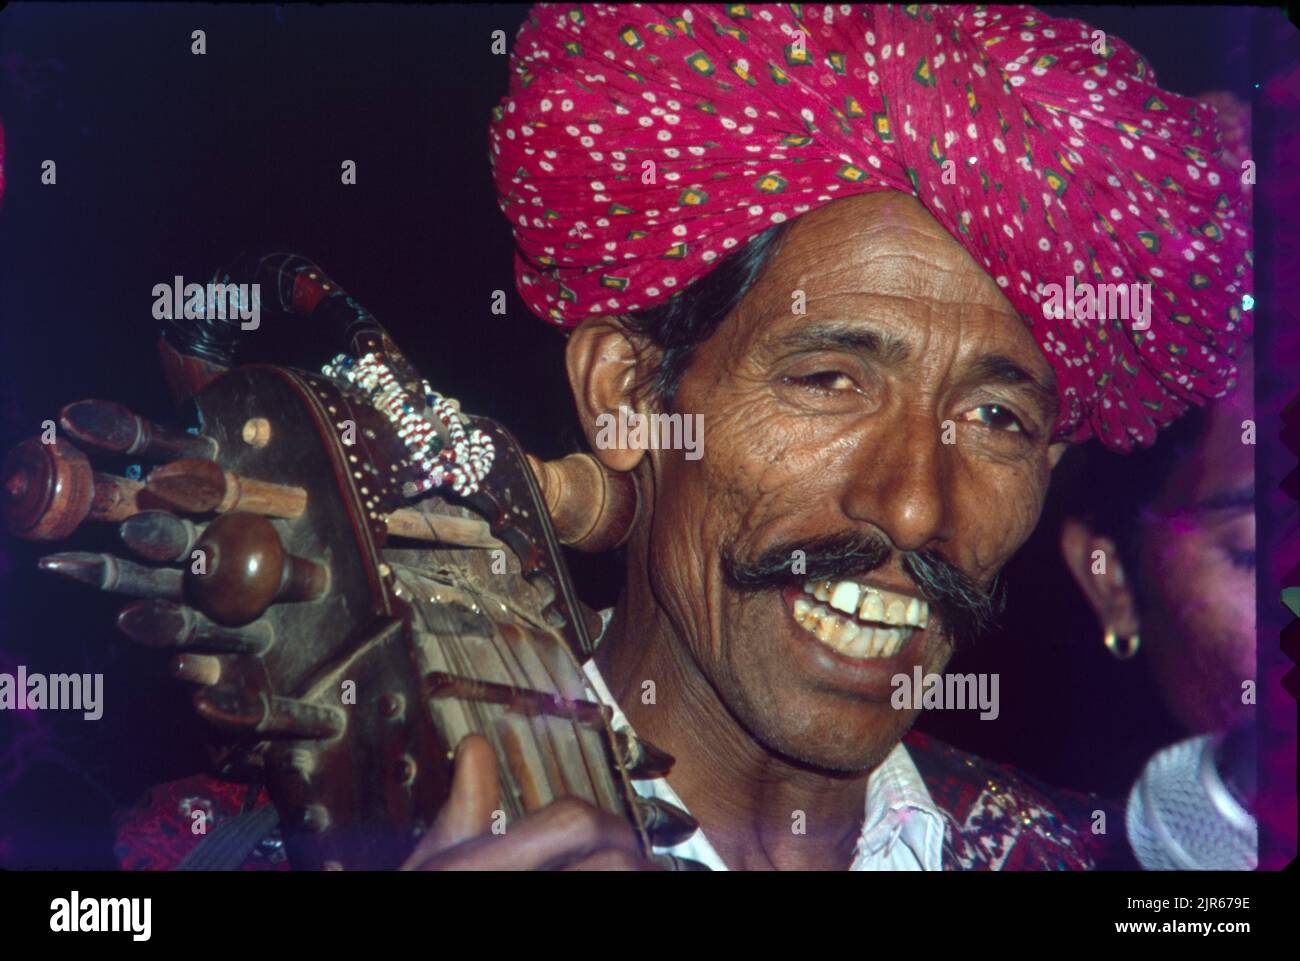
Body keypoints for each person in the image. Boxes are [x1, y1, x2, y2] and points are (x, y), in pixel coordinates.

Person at [113, 4, 1251, 870]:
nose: (915, 507)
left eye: (996, 421)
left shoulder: (1078, 854)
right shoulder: (250, 848)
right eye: (827, 380)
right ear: (624, 398)